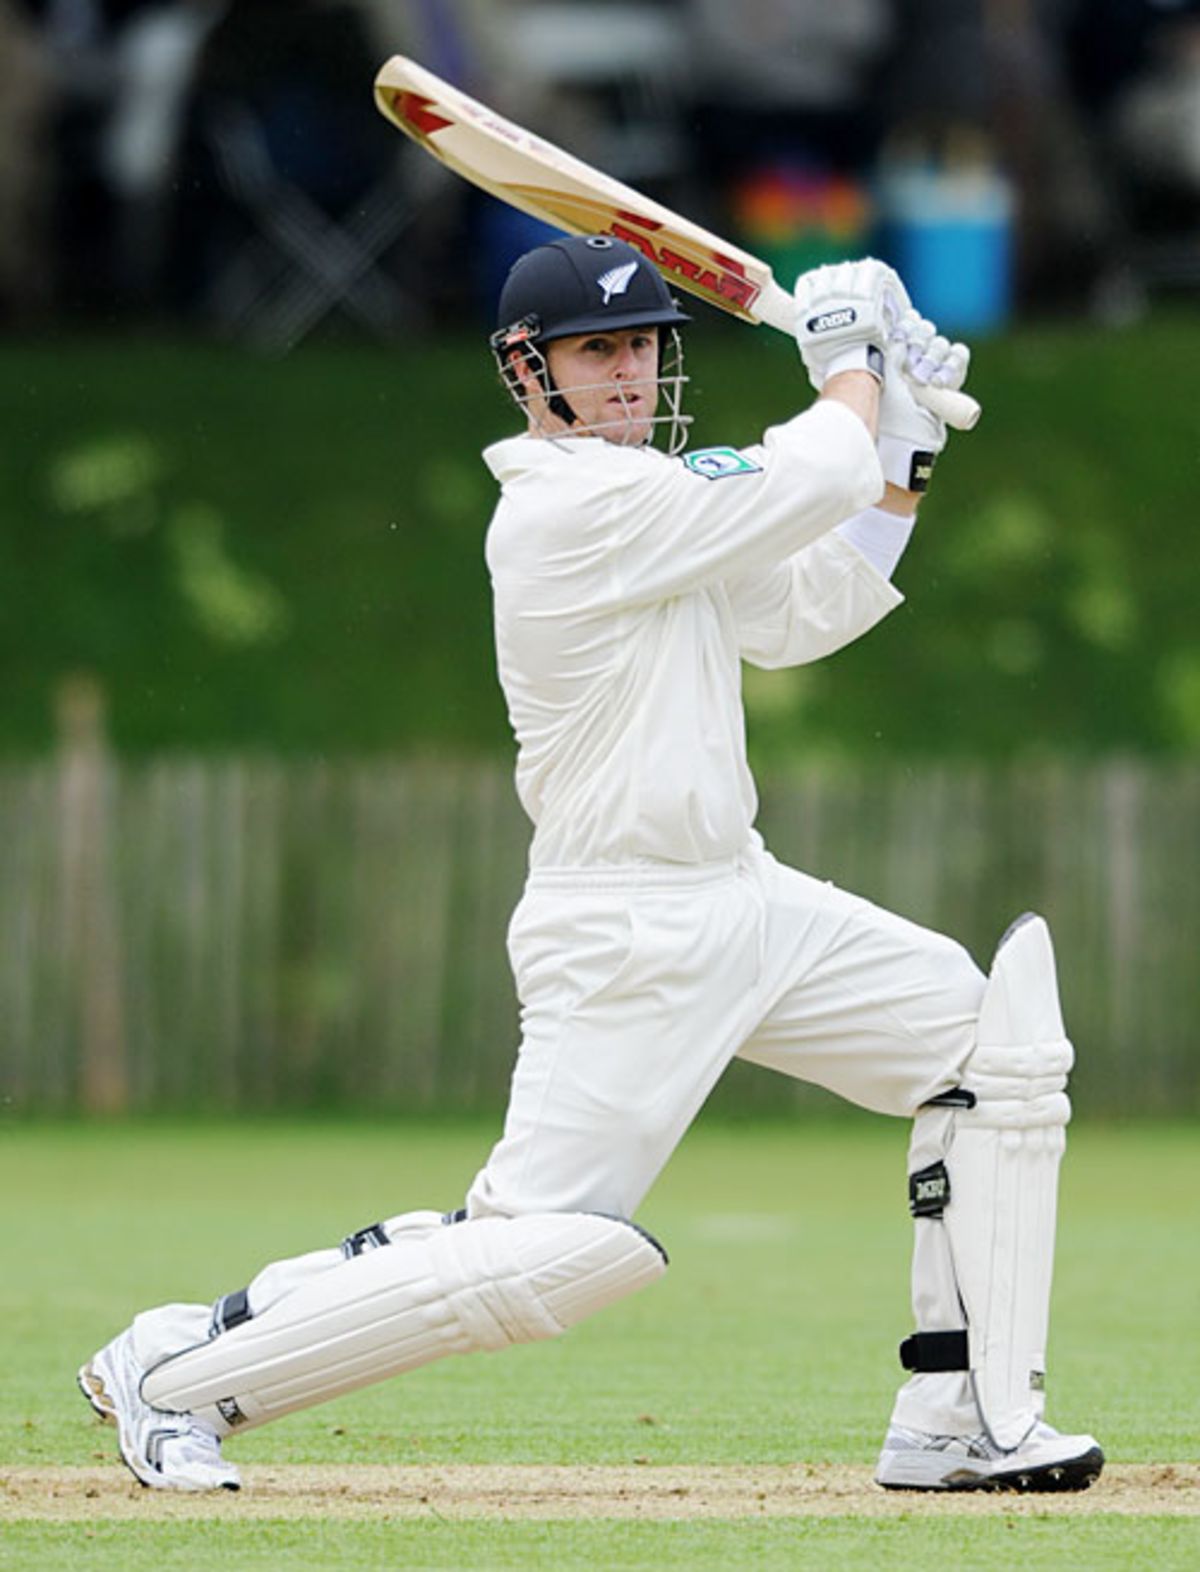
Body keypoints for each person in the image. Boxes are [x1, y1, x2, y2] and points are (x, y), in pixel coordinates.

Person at [79, 235, 1104, 1495]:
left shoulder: (658, 504)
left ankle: (961, 1417)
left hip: (744, 896)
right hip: (625, 932)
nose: (628, 373)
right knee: (540, 1252)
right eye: (597, 350)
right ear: (529, 373)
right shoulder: (568, 508)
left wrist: (904, 442)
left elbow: (808, 609)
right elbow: (807, 468)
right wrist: (854, 369)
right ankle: (181, 1375)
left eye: (644, 347)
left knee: (988, 1052)